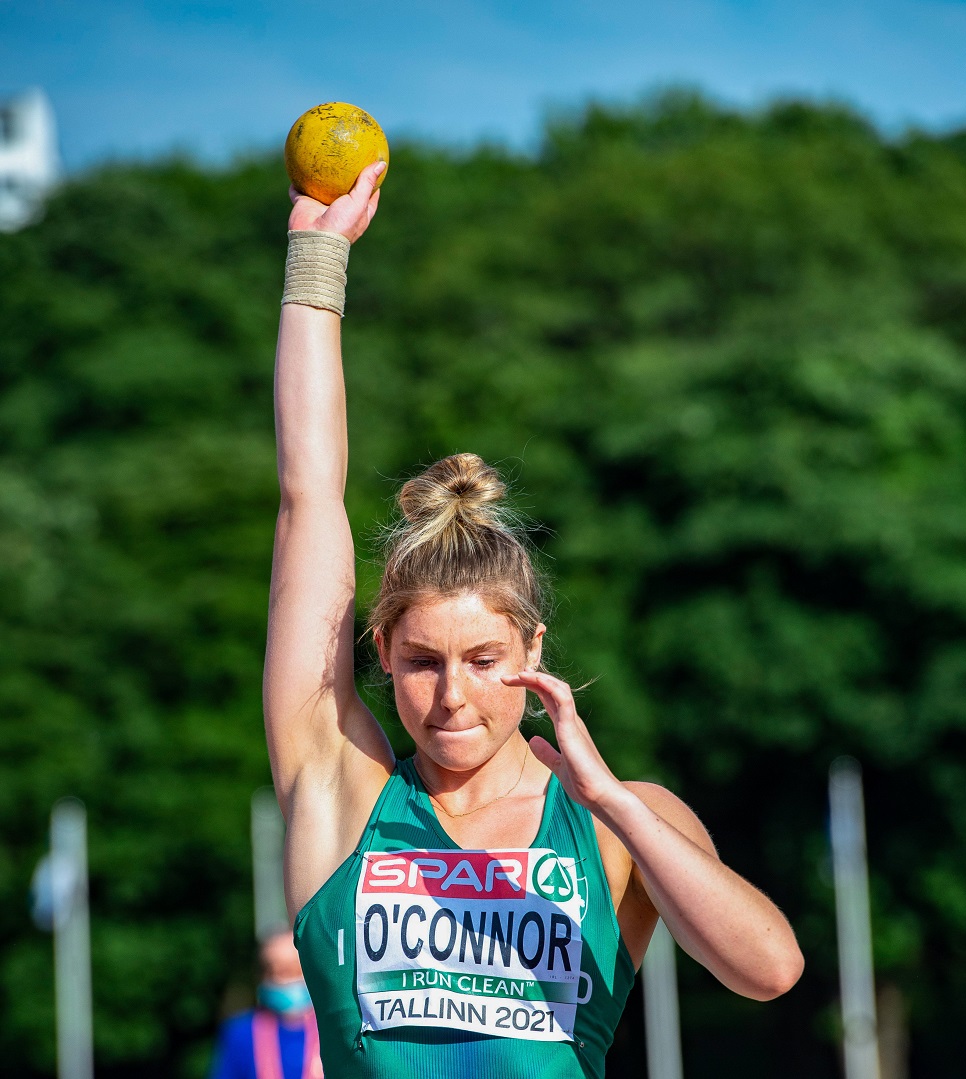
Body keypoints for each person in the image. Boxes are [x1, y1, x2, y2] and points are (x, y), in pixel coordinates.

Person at [264, 161, 804, 1079]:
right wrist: (317, 255)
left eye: (483, 657)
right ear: (382, 653)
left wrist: (614, 803)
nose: (451, 696)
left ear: (533, 652)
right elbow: (307, 496)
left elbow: (768, 969)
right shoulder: (340, 790)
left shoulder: (613, 824)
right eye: (423, 661)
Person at [209, 929, 322, 1079]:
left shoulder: (335, 1026)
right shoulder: (241, 1033)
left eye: (295, 970)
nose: (287, 979)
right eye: (278, 971)